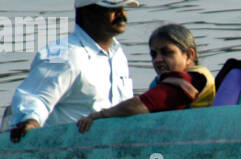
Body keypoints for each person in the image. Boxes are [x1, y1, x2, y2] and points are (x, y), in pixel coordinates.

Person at [7, 0, 138, 142]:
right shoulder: (64, 53)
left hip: (111, 146)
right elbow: (35, 96)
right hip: (69, 149)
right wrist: (30, 121)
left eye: (122, 8)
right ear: (88, 13)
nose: (122, 15)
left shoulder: (117, 54)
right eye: (112, 8)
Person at [76, 24, 215, 132]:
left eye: (167, 53)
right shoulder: (169, 80)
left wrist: (98, 116)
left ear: (189, 55)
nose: (158, 60)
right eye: (154, 54)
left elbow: (138, 106)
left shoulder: (190, 80)